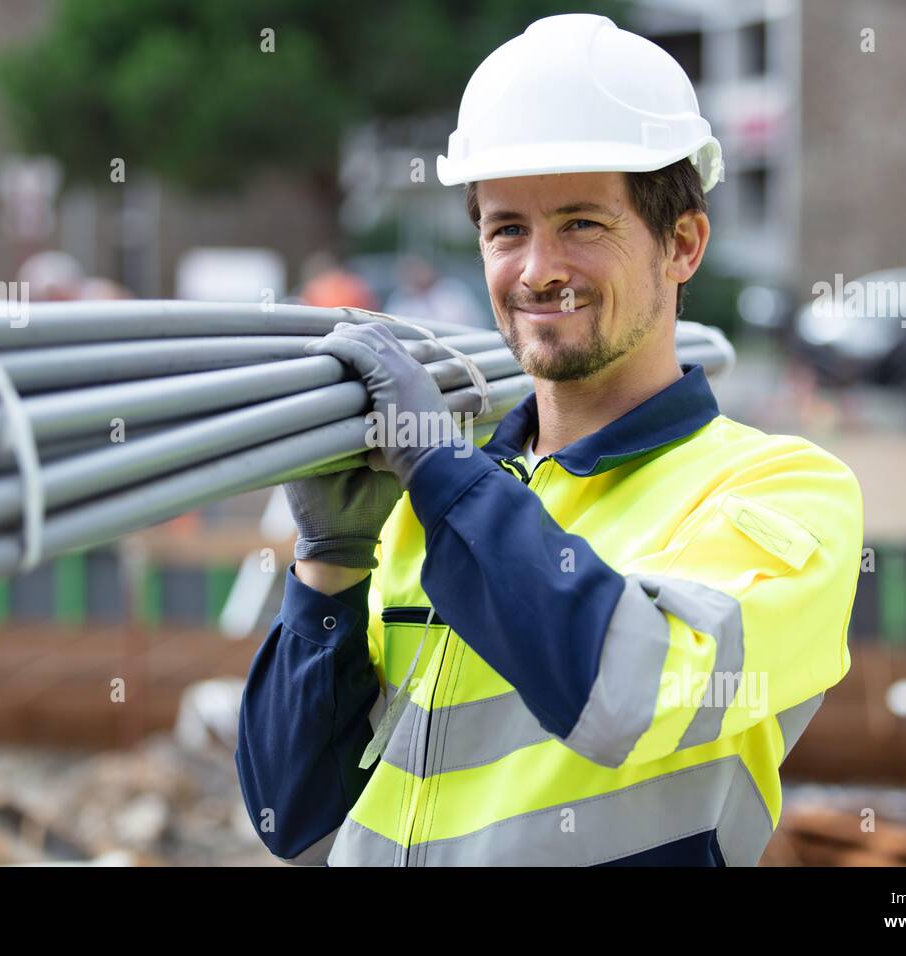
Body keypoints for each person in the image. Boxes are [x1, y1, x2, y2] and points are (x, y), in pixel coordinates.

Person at [235, 13, 863, 867]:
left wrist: (442, 471)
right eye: (507, 230)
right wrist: (332, 560)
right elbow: (292, 821)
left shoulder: (779, 493)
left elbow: (625, 694)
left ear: (682, 244)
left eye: (582, 224)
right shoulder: (435, 508)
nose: (537, 270)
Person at [384, 255, 486, 327]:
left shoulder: (452, 290)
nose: (416, 274)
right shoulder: (400, 298)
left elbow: (473, 321)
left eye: (419, 269)